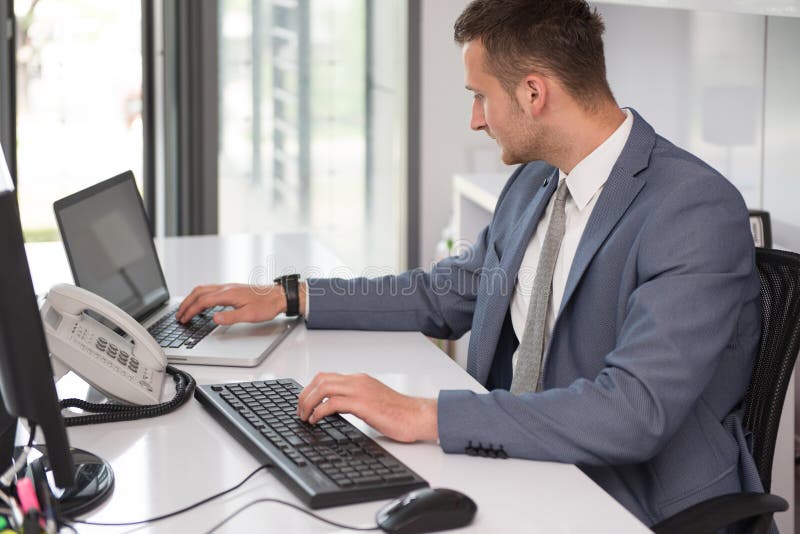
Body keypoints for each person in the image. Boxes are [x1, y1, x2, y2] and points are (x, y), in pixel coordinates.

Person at [177, 0, 764, 527]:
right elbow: (447, 293)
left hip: (627, 500)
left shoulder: (692, 209)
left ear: (533, 93)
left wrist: (422, 415)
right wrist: (291, 296)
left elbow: (633, 412)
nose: (475, 119)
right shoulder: (537, 180)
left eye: (480, 96)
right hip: (521, 464)